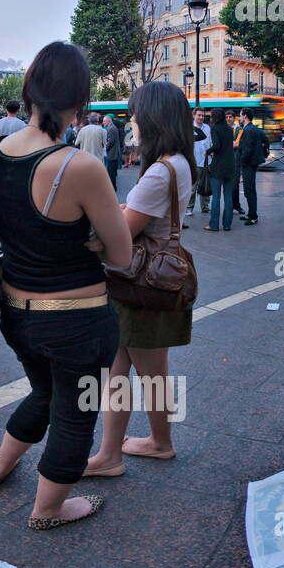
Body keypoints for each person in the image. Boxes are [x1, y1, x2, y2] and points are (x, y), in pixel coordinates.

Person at [0, 42, 136, 531]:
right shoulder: (79, 166)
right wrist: (90, 241)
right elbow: (122, 254)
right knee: (75, 410)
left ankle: (0, 465)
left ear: (28, 92)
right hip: (76, 317)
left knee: (42, 392)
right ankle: (49, 509)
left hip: (16, 312)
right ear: (79, 100)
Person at [88, 81, 196, 478]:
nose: (130, 119)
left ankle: (150, 446)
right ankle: (121, 450)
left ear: (152, 118)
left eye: (135, 112)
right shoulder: (178, 163)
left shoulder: (159, 171)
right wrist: (125, 208)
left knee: (142, 371)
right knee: (130, 368)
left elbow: (121, 235)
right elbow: (146, 216)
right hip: (153, 281)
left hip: (142, 284)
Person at [233, 114, 267, 226]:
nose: (240, 118)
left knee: (249, 190)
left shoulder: (247, 130)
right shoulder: (255, 128)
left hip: (248, 164)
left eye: (241, 115)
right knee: (251, 189)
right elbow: (265, 140)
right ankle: (251, 213)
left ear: (245, 116)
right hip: (253, 163)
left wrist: (242, 163)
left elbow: (246, 149)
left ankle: (253, 216)